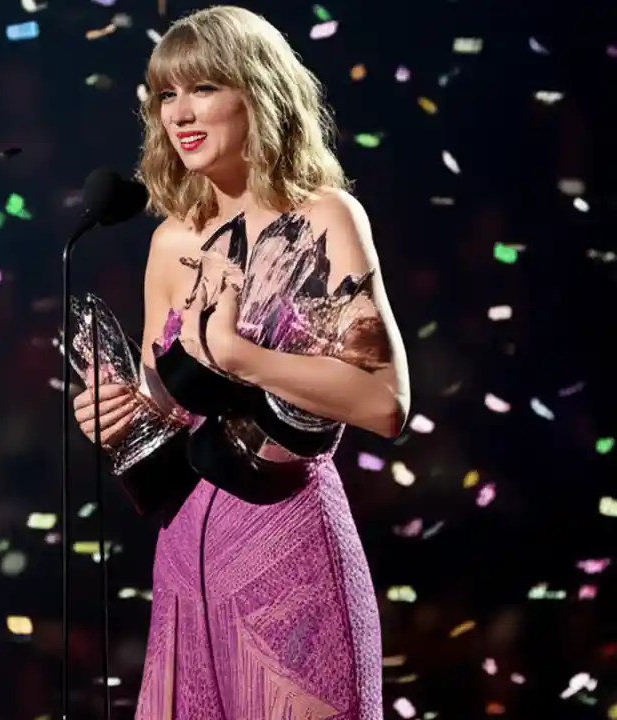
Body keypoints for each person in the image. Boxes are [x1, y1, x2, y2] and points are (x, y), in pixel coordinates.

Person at [71, 6, 410, 719]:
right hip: (184, 565)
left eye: (202, 89)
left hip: (288, 556)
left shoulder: (325, 219)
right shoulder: (169, 243)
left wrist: (241, 357)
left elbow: (384, 402)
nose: (180, 114)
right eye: (167, 94)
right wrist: (114, 418)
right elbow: (163, 415)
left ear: (258, 93)